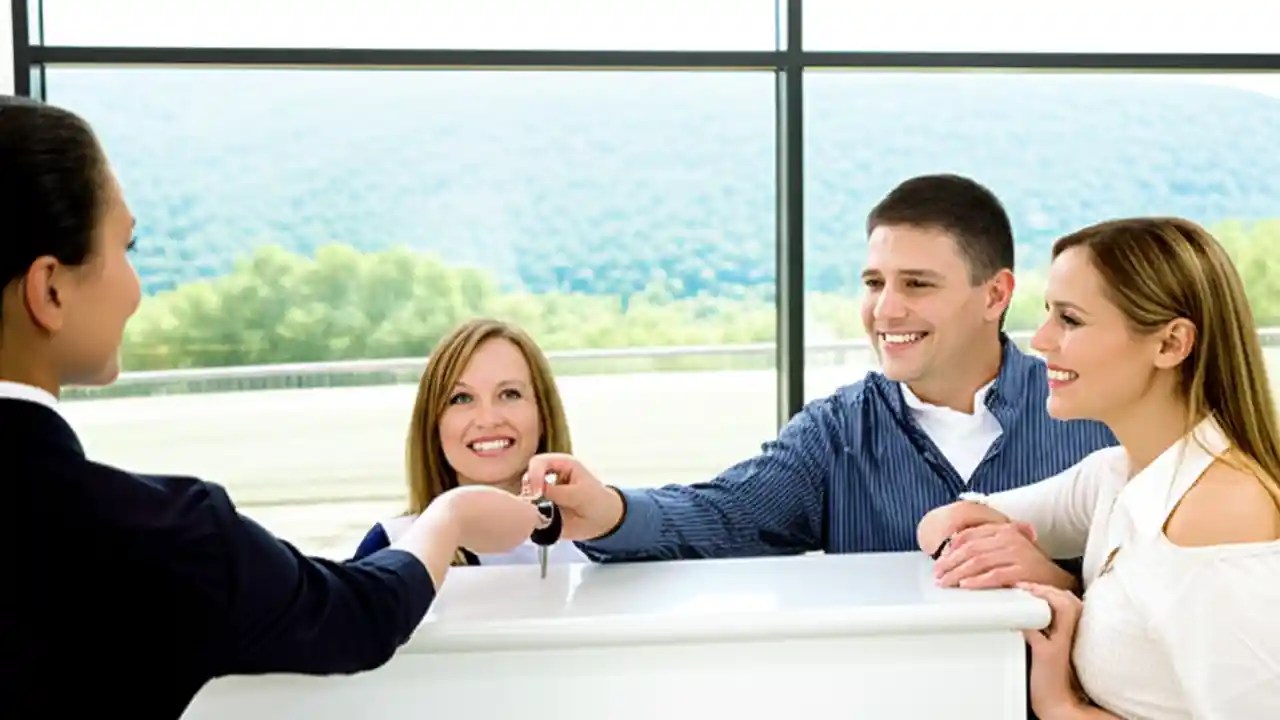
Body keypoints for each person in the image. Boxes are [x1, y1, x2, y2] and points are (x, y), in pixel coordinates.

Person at [0, 97, 544, 718]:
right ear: (49, 289)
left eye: (510, 394)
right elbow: (358, 614)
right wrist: (450, 520)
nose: (134, 289)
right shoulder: (163, 536)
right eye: (129, 247)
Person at [522, 174, 1116, 587]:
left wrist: (1056, 579)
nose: (885, 310)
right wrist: (607, 511)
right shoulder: (835, 433)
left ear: (995, 295)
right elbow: (725, 514)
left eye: (916, 284)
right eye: (873, 282)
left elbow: (1156, 597)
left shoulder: (1095, 418)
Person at [917, 217, 1280, 719]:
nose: (1040, 339)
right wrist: (1058, 582)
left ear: (1171, 344)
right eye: (1048, 314)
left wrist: (1062, 705)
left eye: (1070, 319)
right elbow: (945, 520)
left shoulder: (1220, 515)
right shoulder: (1114, 475)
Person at [352, 317, 585, 567]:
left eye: (509, 394)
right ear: (433, 423)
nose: (488, 420)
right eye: (462, 398)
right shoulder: (391, 546)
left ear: (544, 413)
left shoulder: (598, 543)